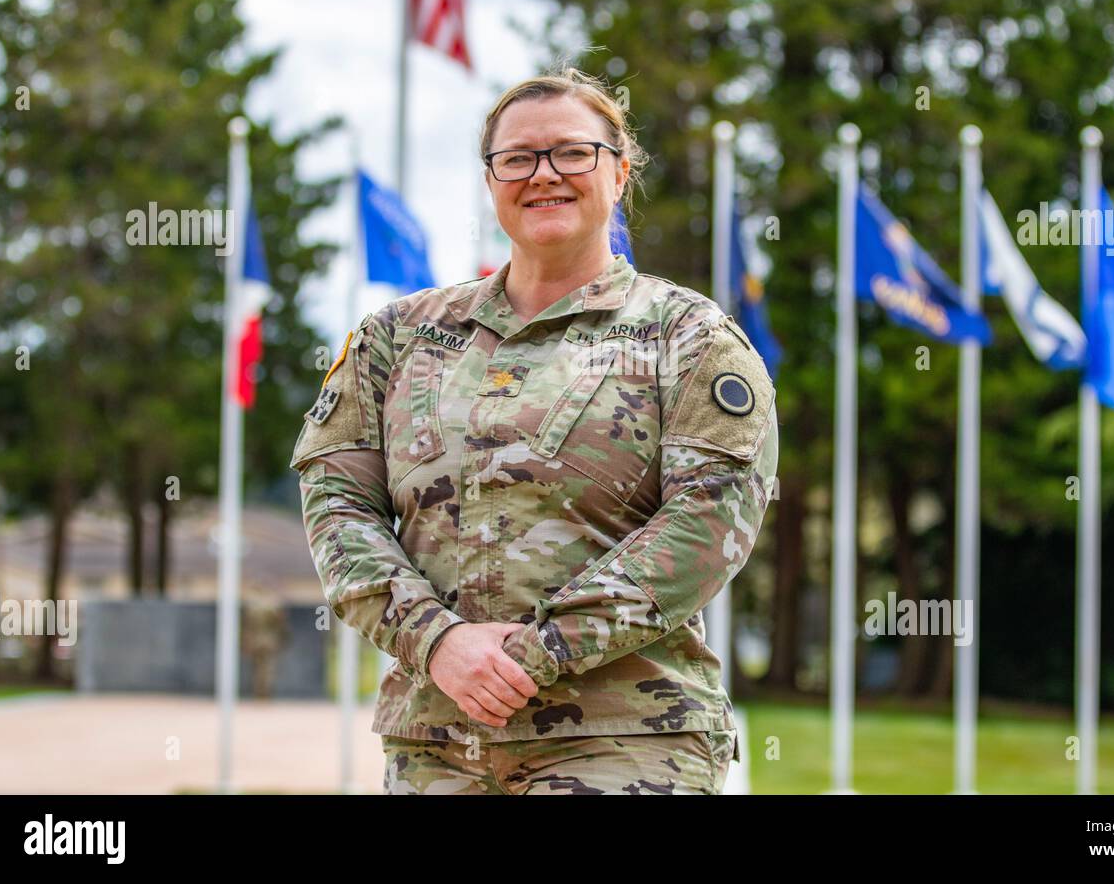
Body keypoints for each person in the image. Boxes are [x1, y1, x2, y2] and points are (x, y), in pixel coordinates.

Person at [289, 64, 778, 794]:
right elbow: (339, 505)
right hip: (437, 740)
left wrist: (539, 650)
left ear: (619, 173)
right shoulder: (397, 337)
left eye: (572, 153)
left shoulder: (689, 337)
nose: (543, 174)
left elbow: (708, 525)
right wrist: (438, 640)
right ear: (491, 182)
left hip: (621, 740)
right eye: (517, 158)